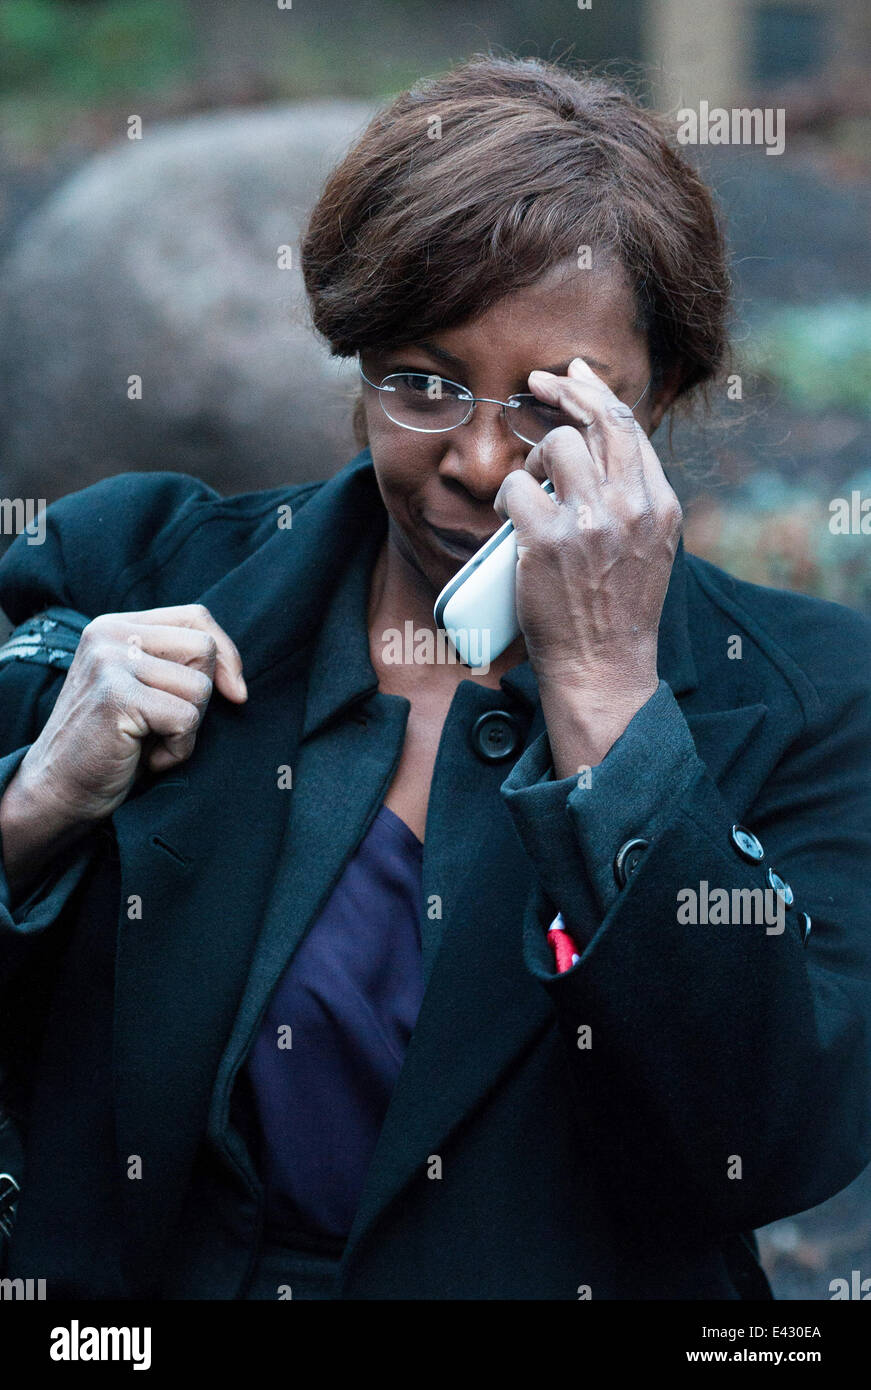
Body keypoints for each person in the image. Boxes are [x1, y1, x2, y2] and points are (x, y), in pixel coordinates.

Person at [0, 53, 869, 1301]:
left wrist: (615, 704)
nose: (472, 456)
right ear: (355, 366)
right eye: (422, 382)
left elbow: (771, 1144)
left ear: (661, 393)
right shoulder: (123, 571)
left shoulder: (809, 697)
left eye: (547, 405)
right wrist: (30, 809)